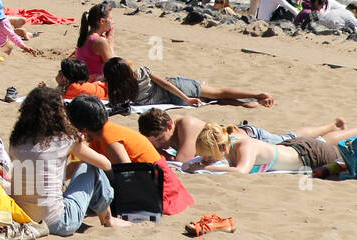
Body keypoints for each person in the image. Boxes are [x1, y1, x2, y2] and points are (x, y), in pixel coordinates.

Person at [8, 86, 130, 235]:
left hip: (23, 218)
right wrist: (81, 145)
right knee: (91, 167)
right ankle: (108, 219)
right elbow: (105, 164)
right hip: (58, 223)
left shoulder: (16, 141)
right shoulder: (64, 139)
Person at [139, 110, 356, 163]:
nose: (160, 144)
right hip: (245, 136)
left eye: (159, 139)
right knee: (290, 135)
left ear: (168, 125)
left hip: (249, 137)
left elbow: (183, 160)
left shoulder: (187, 124)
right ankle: (332, 124)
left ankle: (342, 130)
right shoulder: (165, 126)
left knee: (301, 142)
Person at [101, 56, 273, 111]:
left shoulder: (121, 93)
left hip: (172, 103)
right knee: (218, 92)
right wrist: (188, 98)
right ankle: (257, 95)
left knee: (216, 100)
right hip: (178, 90)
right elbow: (167, 85)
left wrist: (186, 101)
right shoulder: (141, 73)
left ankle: (251, 103)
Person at [195, 123, 342, 173]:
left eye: (208, 155)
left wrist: (206, 168)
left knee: (345, 153)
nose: (205, 159)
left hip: (310, 155)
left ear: (222, 148)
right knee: (326, 142)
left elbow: (241, 171)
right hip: (295, 146)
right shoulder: (228, 139)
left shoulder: (245, 146)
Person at [65, 96, 163, 165]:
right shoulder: (100, 134)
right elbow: (80, 164)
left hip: (158, 188)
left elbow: (126, 173)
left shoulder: (109, 139)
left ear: (84, 129)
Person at [74, 3, 114, 82]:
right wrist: (110, 41)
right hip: (93, 84)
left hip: (83, 81)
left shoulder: (86, 36)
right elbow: (114, 66)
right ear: (102, 21)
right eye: (111, 19)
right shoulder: (99, 41)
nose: (113, 22)